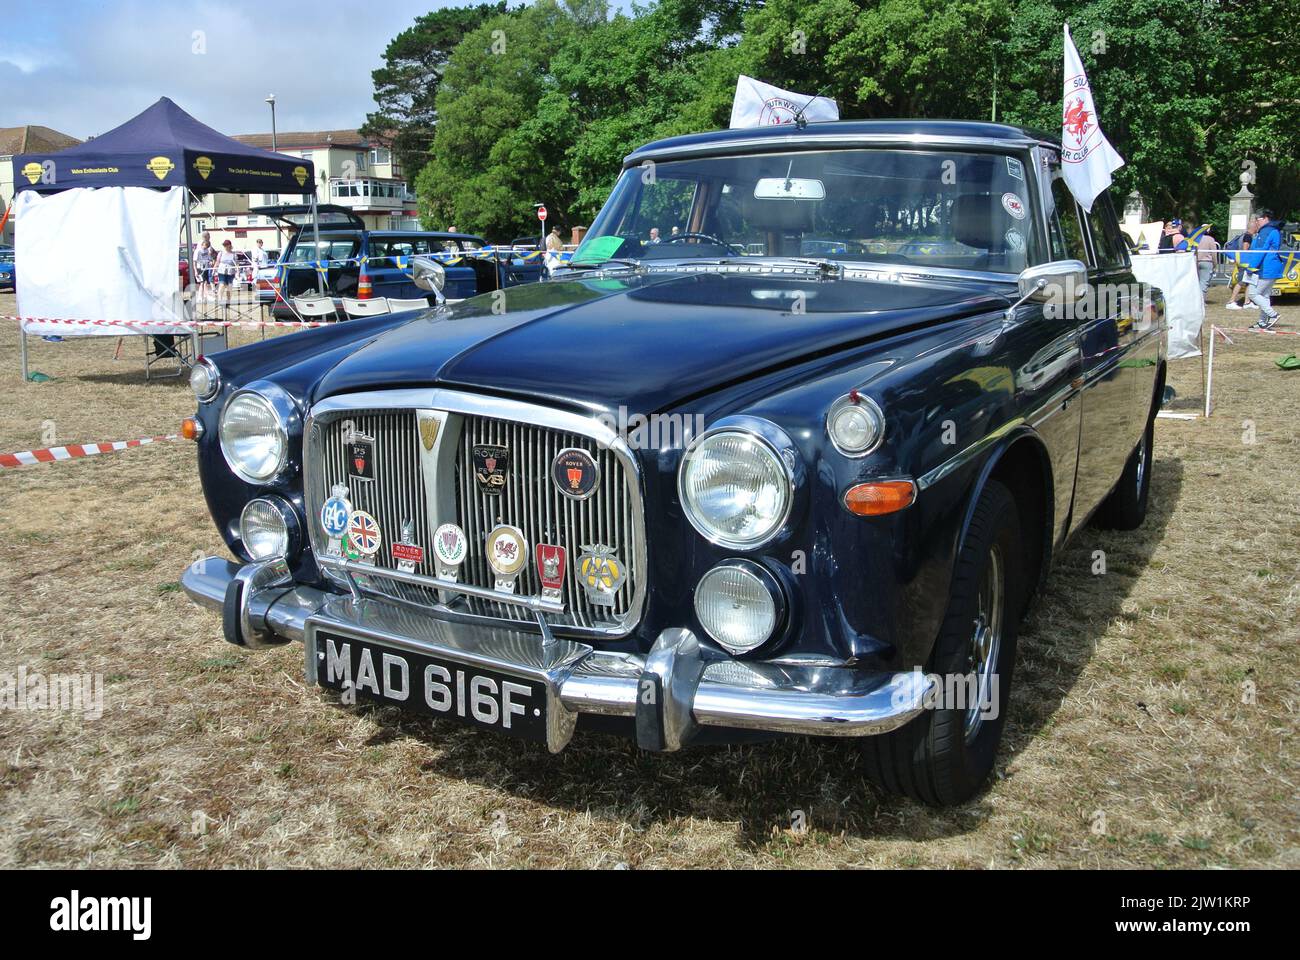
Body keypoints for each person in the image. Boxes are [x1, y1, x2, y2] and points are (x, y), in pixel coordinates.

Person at [1240, 209, 1283, 330]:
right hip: (1273, 267)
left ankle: (1273, 315)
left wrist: (1250, 267)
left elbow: (1259, 252)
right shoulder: (1274, 230)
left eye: (1257, 220)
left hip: (1265, 268)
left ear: (1265, 218)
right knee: (1264, 296)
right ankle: (1262, 322)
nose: (1256, 222)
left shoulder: (1266, 232)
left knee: (1253, 294)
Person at [1223, 231, 1253, 308]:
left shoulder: (1242, 236)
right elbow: (1245, 248)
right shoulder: (1248, 236)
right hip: (1245, 262)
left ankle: (1247, 302)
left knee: (1248, 282)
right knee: (1241, 281)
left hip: (1242, 261)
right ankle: (1231, 301)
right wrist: (1247, 259)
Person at [1192, 223, 1218, 296]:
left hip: (1196, 261)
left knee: (1197, 282)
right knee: (1204, 282)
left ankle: (1196, 299)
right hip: (1207, 262)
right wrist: (1215, 264)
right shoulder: (1210, 239)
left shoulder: (1195, 239)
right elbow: (1214, 253)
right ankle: (1201, 300)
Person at [215, 239, 239, 308]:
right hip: (222, 271)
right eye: (224, 245)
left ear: (230, 245)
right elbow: (217, 261)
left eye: (226, 245)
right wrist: (214, 270)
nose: (225, 246)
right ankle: (220, 300)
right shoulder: (221, 253)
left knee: (229, 287)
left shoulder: (233, 254)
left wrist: (238, 272)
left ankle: (228, 301)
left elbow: (236, 264)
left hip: (230, 272)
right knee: (222, 285)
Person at [194, 232, 216, 301]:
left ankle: (205, 296)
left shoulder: (207, 247)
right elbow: (195, 260)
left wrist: (211, 260)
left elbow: (209, 255)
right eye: (208, 236)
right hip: (200, 267)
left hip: (206, 266)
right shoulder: (199, 249)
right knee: (202, 282)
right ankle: (200, 296)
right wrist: (195, 271)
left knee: (205, 282)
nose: (209, 238)